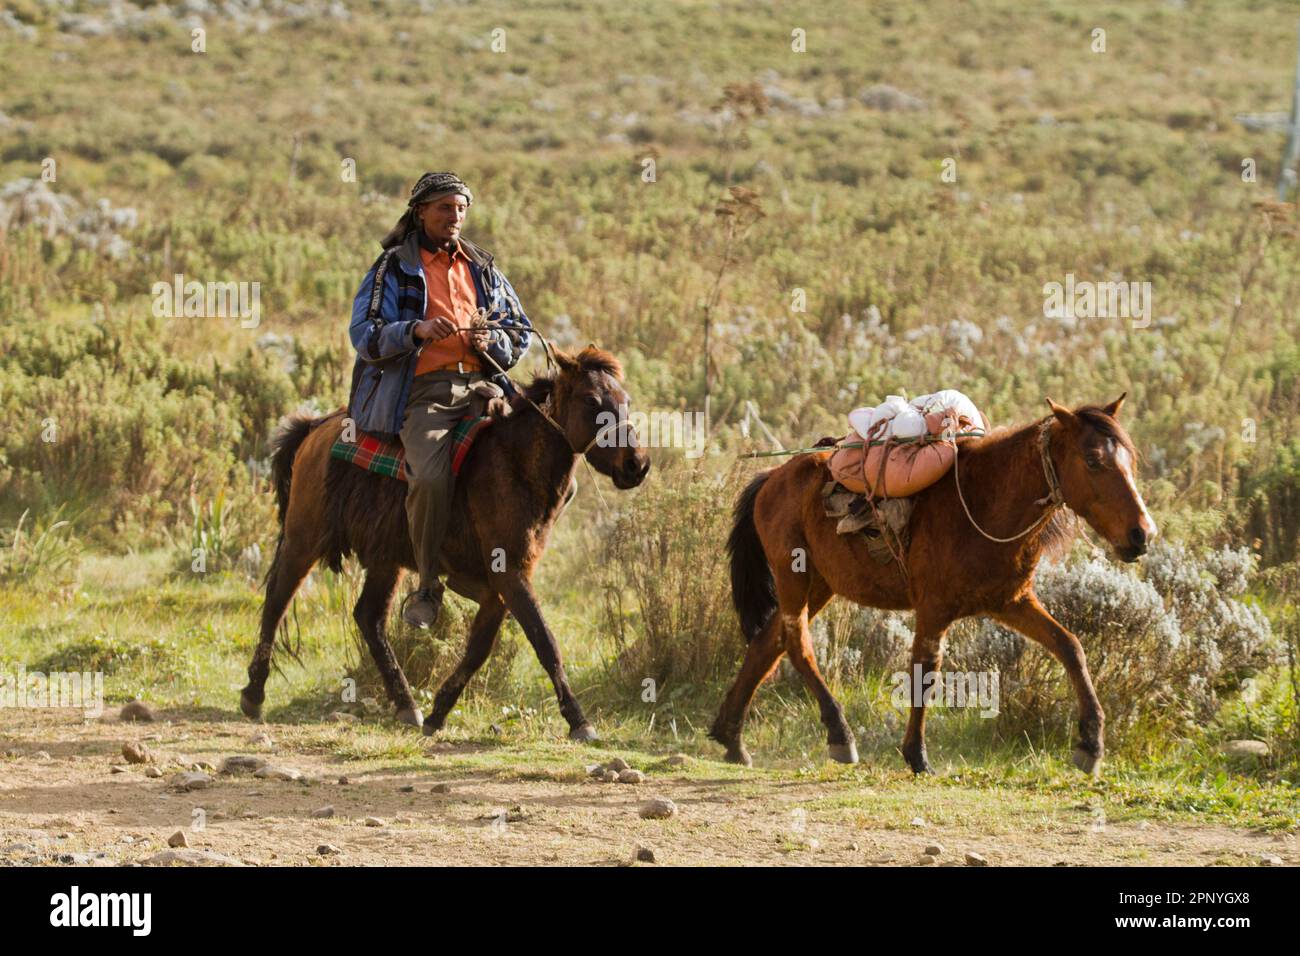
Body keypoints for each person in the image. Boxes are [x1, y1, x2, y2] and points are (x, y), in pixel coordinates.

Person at [346, 172, 532, 627]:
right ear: (420, 212)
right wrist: (415, 331)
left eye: (461, 208)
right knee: (429, 478)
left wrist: (493, 343)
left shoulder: (483, 268)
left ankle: (500, 569)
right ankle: (428, 586)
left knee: (548, 460)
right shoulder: (393, 267)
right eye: (445, 208)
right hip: (425, 393)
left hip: (484, 387)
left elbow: (520, 332)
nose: (455, 217)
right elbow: (363, 335)